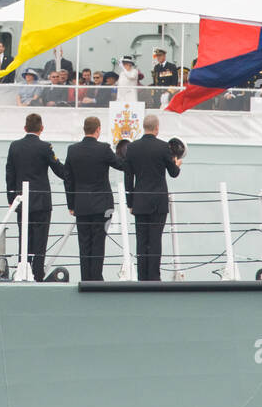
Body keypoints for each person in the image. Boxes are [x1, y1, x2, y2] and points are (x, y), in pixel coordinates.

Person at [62, 116, 126, 281]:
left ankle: (85, 279)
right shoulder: (104, 149)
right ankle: (96, 278)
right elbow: (121, 165)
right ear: (98, 129)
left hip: (81, 205)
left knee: (84, 244)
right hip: (102, 206)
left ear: (84, 129)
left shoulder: (72, 150)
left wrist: (71, 204)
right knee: (99, 243)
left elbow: (68, 179)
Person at [5, 113, 66, 281]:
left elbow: (9, 174)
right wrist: (76, 173)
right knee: (40, 242)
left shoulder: (14, 147)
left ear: (25, 128)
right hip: (41, 202)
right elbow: (59, 170)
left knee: (23, 239)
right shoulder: (45, 147)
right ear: (42, 128)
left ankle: (22, 273)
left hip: (21, 201)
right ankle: (37, 275)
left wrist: (11, 199)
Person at [123, 113, 181, 281]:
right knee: (155, 240)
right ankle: (154, 277)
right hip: (158, 201)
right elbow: (173, 173)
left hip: (139, 201)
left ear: (144, 127)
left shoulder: (132, 148)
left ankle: (142, 277)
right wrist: (177, 164)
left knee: (141, 240)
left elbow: (128, 178)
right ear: (157, 128)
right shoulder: (163, 147)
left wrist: (130, 202)